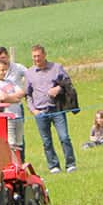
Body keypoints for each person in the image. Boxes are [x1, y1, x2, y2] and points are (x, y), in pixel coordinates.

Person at [23, 44, 77, 173]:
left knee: (64, 137)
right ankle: (53, 166)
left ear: (44, 55)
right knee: (46, 141)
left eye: (39, 56)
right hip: (40, 112)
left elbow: (68, 83)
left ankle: (70, 164)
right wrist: (34, 111)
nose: (36, 59)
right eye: (34, 56)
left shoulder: (56, 68)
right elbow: (28, 95)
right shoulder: (29, 73)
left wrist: (58, 88)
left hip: (57, 110)